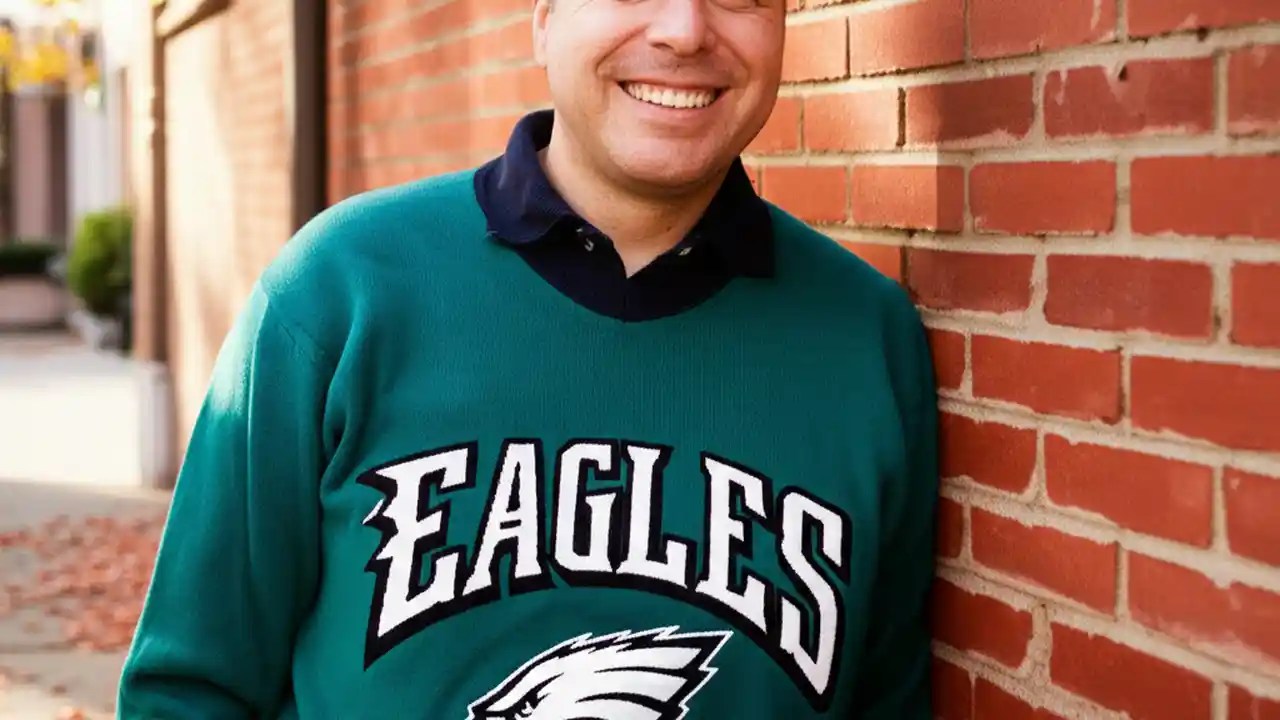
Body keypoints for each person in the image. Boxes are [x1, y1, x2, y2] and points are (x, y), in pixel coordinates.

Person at [117, 0, 939, 716]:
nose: (687, 30)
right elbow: (189, 690)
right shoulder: (339, 293)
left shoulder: (866, 340)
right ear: (544, 19)